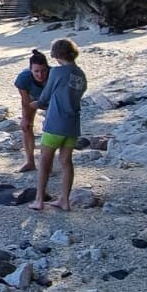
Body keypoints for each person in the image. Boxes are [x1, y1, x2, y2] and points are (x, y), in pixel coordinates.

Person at [31, 38, 88, 212]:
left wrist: (36, 104)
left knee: (45, 161)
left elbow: (46, 96)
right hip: (72, 124)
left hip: (55, 122)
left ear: (57, 54)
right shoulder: (80, 74)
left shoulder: (57, 72)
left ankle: (39, 200)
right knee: (66, 161)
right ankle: (65, 200)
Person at [13, 50, 50, 173]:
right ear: (30, 70)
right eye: (36, 71)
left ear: (47, 68)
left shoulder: (54, 75)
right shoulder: (23, 79)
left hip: (52, 102)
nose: (40, 75)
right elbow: (25, 102)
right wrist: (25, 119)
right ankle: (30, 162)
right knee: (26, 127)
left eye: (43, 70)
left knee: (51, 129)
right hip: (32, 99)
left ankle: (48, 163)